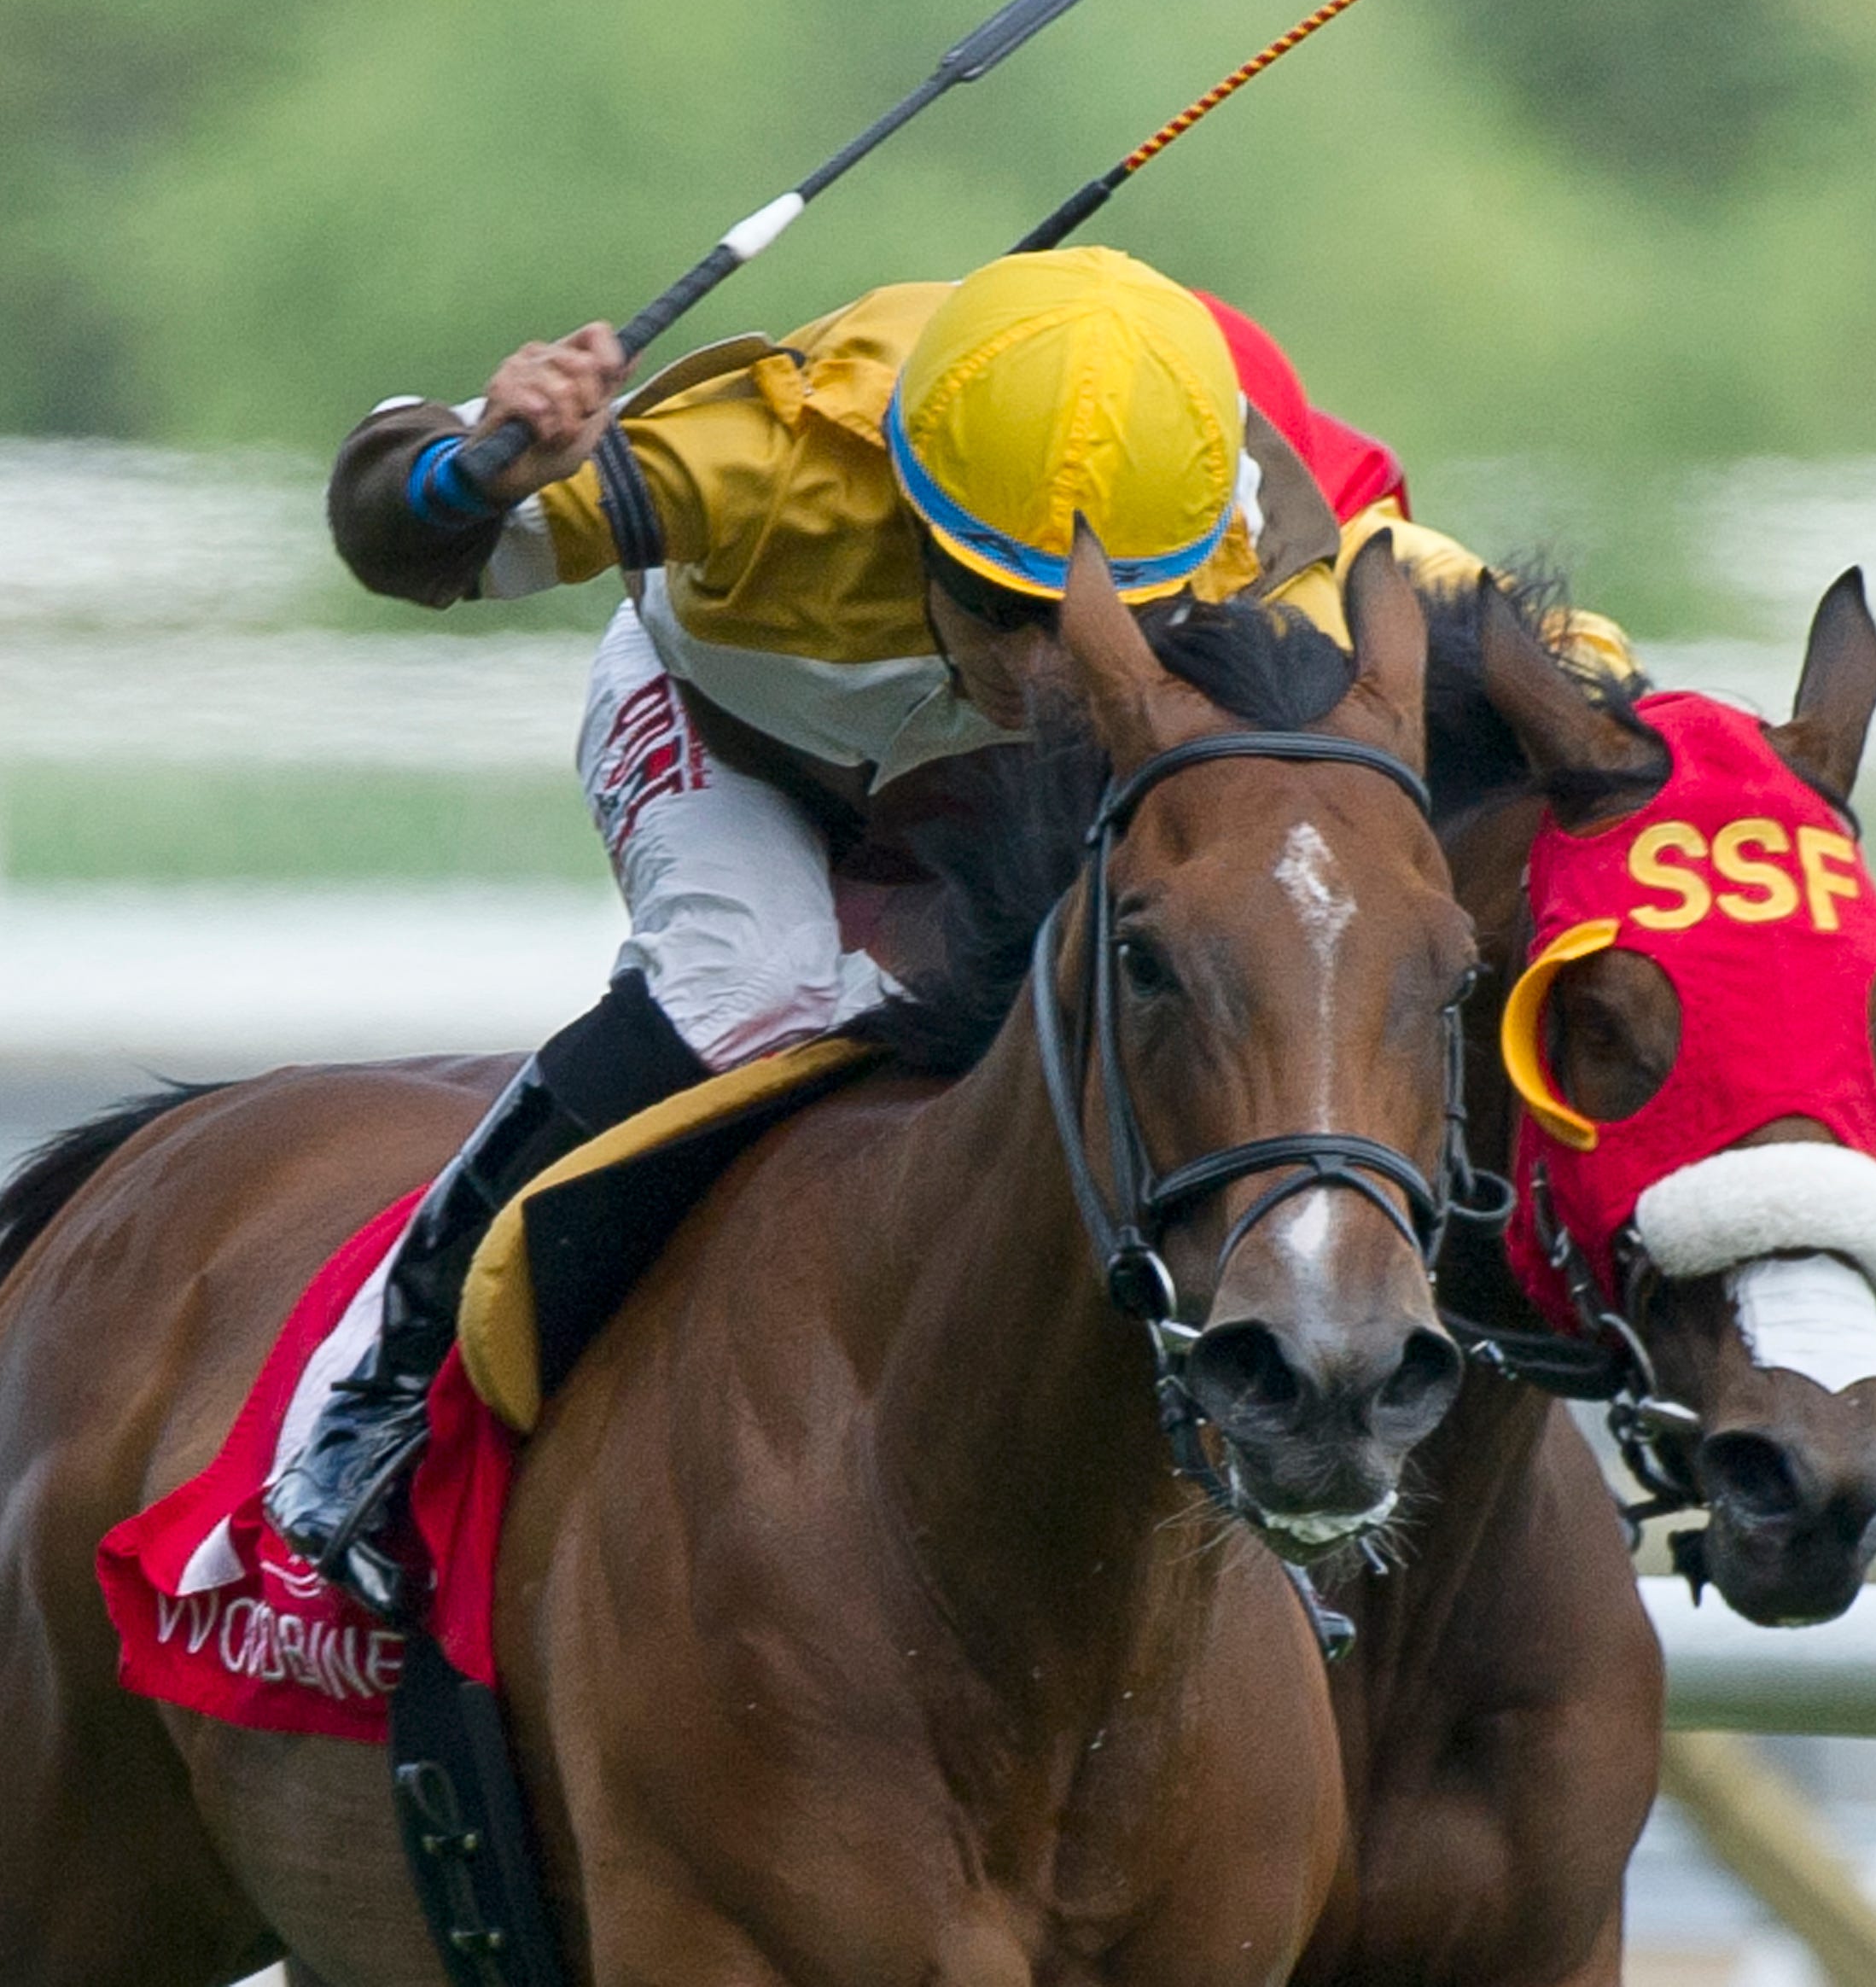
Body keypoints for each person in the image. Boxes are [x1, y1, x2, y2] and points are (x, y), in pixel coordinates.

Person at [271, 245, 1629, 1613]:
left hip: (995, 802)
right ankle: (389, 1375)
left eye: (1094, 619)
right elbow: (413, 542)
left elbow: (1521, 643)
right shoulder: (765, 455)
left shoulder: (1259, 545)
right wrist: (475, 464)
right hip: (731, 740)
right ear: (908, 506)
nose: (1045, 672)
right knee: (754, 993)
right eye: (996, 603)